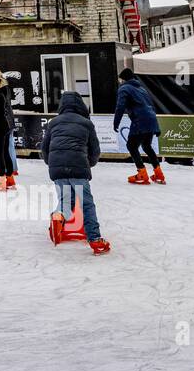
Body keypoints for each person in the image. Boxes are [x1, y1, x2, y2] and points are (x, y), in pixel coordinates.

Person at [40, 92, 111, 254]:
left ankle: (58, 217)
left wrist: (51, 163)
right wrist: (89, 164)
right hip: (79, 167)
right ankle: (94, 239)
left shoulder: (53, 122)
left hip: (57, 167)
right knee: (86, 203)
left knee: (66, 201)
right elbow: (95, 150)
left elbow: (44, 148)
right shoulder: (86, 123)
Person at [113, 68, 164, 185]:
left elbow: (120, 106)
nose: (120, 81)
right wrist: (156, 125)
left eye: (120, 79)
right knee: (146, 146)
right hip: (151, 119)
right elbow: (151, 106)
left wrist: (116, 122)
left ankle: (142, 173)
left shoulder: (124, 88)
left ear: (123, 78)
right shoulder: (142, 89)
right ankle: (158, 173)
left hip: (140, 120)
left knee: (131, 146)